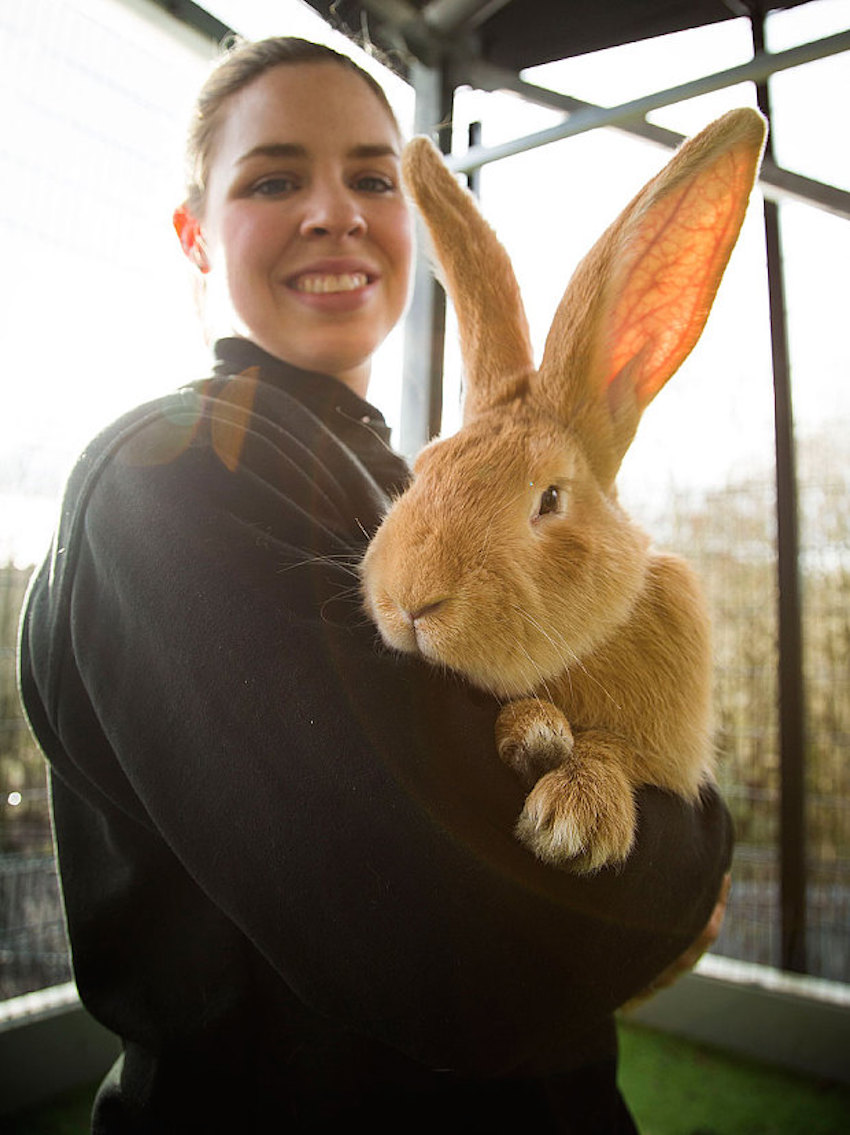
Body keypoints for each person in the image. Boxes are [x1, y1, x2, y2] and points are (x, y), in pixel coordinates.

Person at [18, 36, 732, 1134]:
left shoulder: (392, 476)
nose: (334, 212)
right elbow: (465, 951)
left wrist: (637, 766)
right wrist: (692, 861)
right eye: (272, 178)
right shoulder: (173, 475)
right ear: (193, 231)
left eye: (371, 178)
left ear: (414, 224)